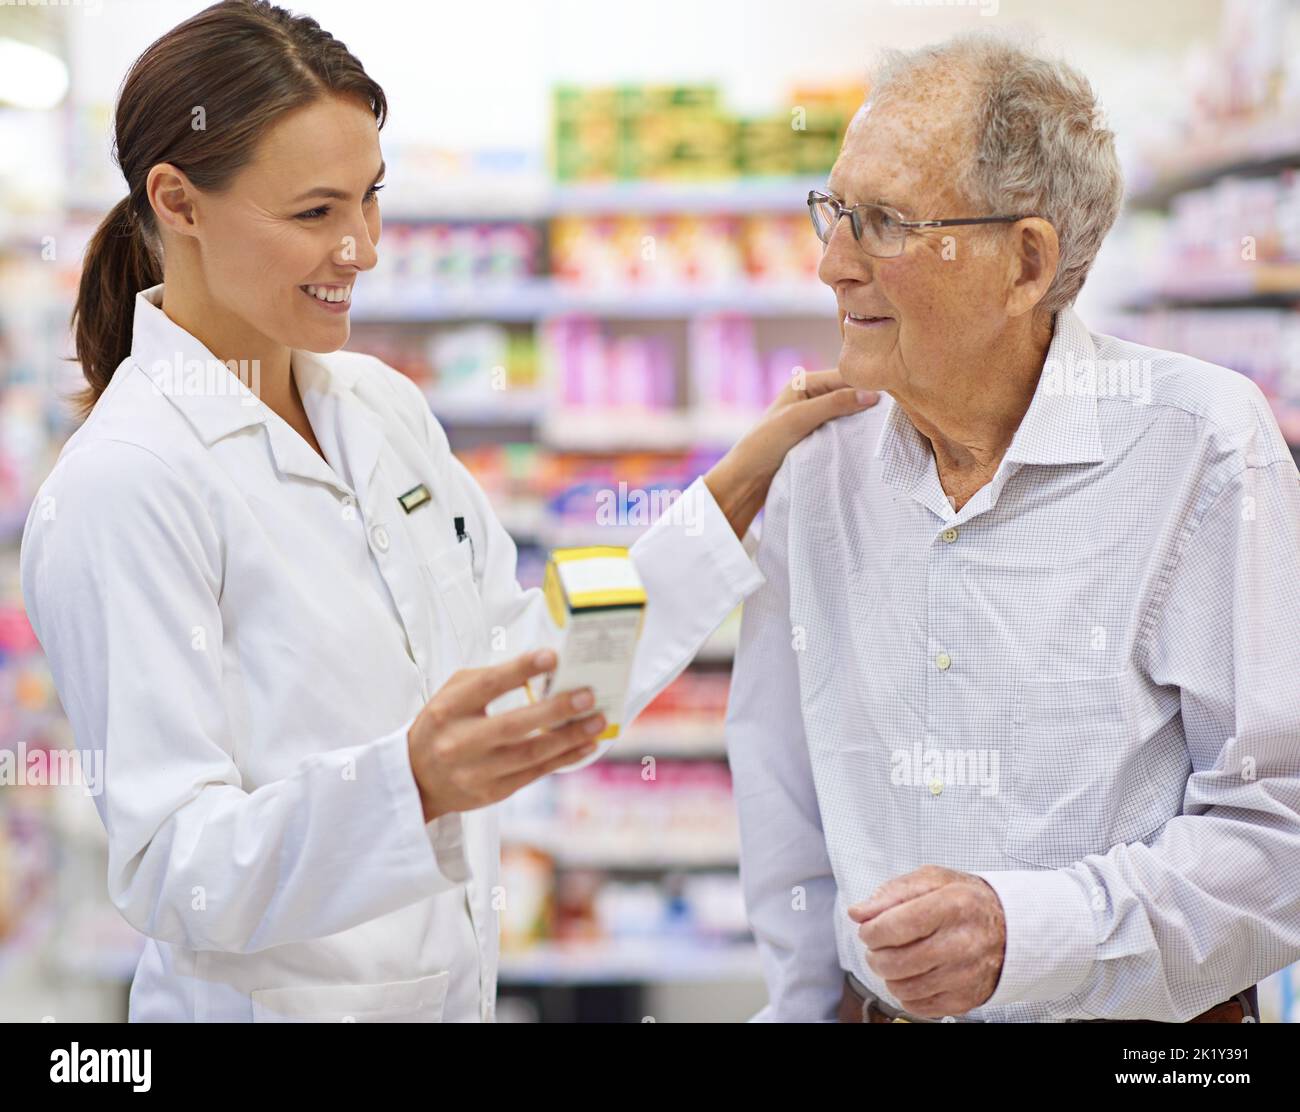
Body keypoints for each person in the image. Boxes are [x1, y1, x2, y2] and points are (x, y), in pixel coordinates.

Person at [18, 0, 876, 1023]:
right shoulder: (127, 481)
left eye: (370, 199)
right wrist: (409, 784)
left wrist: (734, 490)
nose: (362, 248)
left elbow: (510, 664)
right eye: (314, 213)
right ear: (178, 200)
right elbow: (176, 868)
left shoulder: (378, 407)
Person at [726, 32, 1300, 1023]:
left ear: (1026, 261)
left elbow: (1277, 828)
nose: (830, 264)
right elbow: (785, 806)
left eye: (882, 224)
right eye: (832, 212)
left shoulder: (1198, 448)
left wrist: (1035, 929)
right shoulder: (819, 469)